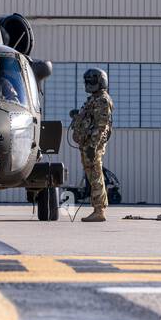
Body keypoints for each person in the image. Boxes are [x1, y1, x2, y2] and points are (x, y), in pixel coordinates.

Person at [70, 67, 113, 222]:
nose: (89, 83)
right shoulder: (94, 99)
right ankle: (98, 208)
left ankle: (99, 210)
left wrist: (92, 146)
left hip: (92, 145)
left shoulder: (102, 99)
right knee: (92, 174)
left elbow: (101, 126)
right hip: (87, 143)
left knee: (95, 174)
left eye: (92, 80)